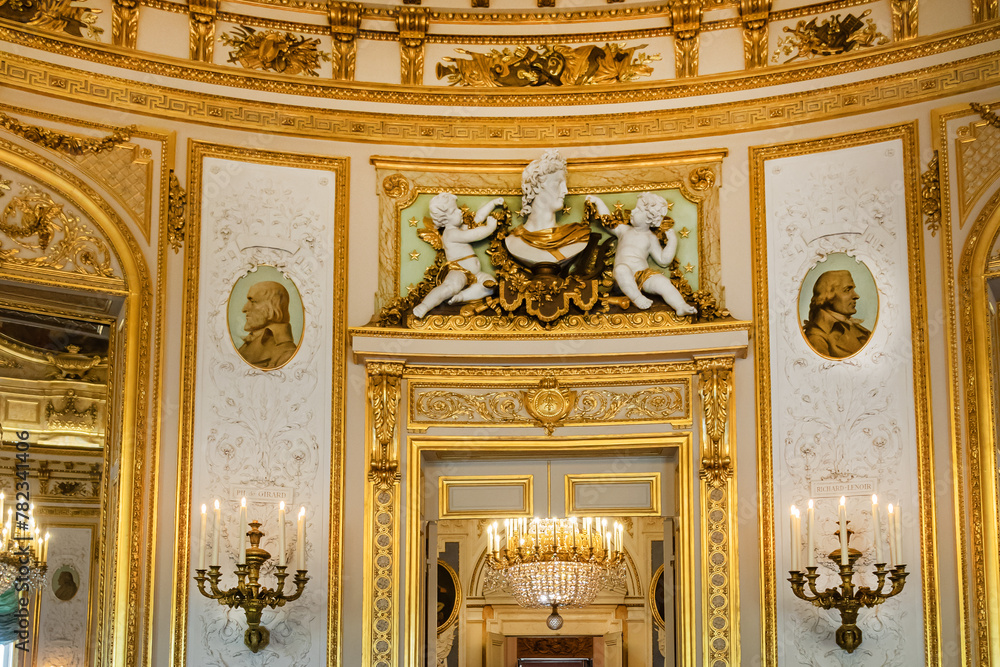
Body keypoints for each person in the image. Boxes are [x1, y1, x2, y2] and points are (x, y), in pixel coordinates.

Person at [587, 191, 697, 315]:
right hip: (623, 275)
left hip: (643, 275)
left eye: (638, 210)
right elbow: (606, 221)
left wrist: (672, 241)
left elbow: (663, 261)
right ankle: (637, 298)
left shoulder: (651, 238)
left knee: (662, 282)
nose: (632, 211)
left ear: (650, 218)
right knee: (621, 270)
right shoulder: (624, 230)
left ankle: (681, 306)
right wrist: (598, 202)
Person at [412, 193, 506, 318]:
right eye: (454, 211)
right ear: (444, 220)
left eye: (457, 208)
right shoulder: (450, 233)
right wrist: (490, 228)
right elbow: (475, 235)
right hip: (459, 271)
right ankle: (425, 305)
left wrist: (492, 204)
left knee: (491, 285)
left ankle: (460, 297)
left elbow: (477, 218)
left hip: (475, 274)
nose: (459, 211)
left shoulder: (460, 228)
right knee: (450, 287)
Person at [503, 149, 591, 266]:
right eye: (558, 183)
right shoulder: (512, 242)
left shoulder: (577, 237)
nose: (565, 191)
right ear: (536, 187)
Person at [802, 269, 871, 358]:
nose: (856, 296)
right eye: (847, 290)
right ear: (828, 296)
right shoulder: (816, 337)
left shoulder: (854, 327)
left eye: (853, 289)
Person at [237, 281, 299, 369]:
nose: (244, 309)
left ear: (273, 307)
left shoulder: (286, 354)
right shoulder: (250, 342)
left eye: (253, 301)